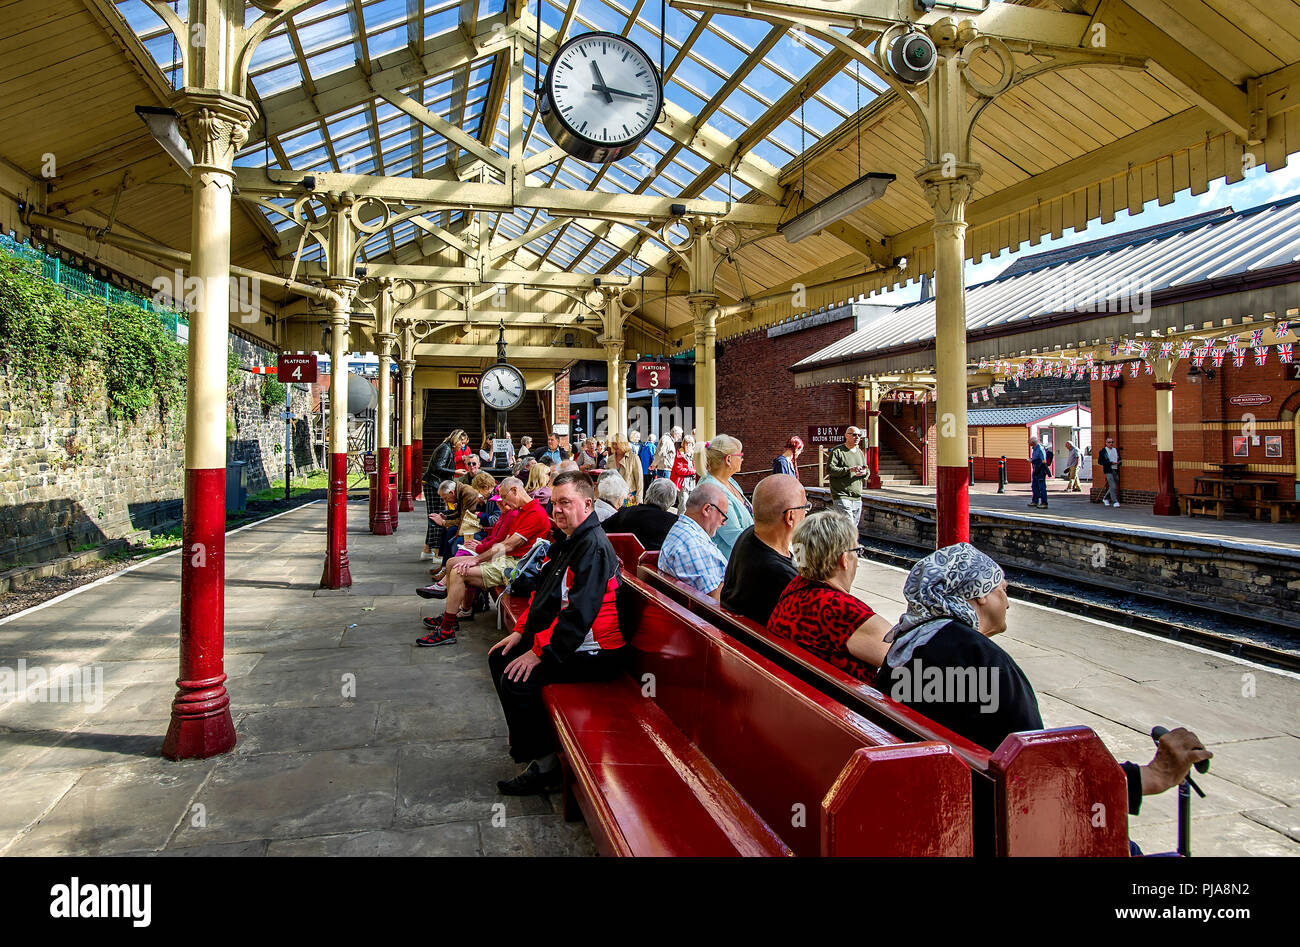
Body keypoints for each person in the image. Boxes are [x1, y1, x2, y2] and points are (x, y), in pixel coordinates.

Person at [874, 543, 1211, 835]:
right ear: (978, 596)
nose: (1007, 602)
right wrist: (1148, 777)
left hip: (925, 802)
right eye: (1002, 589)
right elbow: (1036, 776)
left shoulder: (905, 647)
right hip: (983, 821)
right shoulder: (984, 660)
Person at [488, 471, 628, 794]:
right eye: (554, 503)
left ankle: (545, 766)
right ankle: (528, 746)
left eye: (566, 502)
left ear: (588, 504)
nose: (558, 510)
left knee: (517, 678)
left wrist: (538, 652)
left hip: (598, 653)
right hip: (574, 641)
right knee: (501, 657)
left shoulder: (592, 546)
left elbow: (578, 617)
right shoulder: (569, 540)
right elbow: (545, 592)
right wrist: (521, 632)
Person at [418, 477, 552, 646]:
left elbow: (508, 545)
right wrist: (479, 557)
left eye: (504, 496)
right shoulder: (524, 510)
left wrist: (477, 559)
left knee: (459, 571)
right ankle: (452, 615)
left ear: (515, 491)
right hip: (507, 558)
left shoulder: (534, 513)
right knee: (453, 562)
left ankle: (447, 627)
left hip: (516, 566)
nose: (503, 501)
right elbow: (506, 542)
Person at [767, 511, 893, 681]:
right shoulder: (841, 609)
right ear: (844, 559)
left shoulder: (793, 589)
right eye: (857, 550)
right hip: (844, 704)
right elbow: (907, 659)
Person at [720, 474, 807, 626]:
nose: (806, 513)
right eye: (805, 507)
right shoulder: (781, 576)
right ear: (790, 517)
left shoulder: (748, 536)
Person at [659, 481, 729, 599]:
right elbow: (714, 601)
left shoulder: (686, 533)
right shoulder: (691, 544)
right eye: (723, 515)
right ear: (707, 509)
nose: (724, 523)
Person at [694, 434, 753, 560]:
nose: (742, 459)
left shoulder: (730, 481)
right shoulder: (712, 490)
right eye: (740, 455)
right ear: (728, 459)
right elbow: (734, 536)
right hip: (730, 563)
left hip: (744, 554)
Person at [423, 428, 465, 561]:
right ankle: (436, 551)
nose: (462, 446)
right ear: (457, 439)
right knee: (438, 515)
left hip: (433, 483)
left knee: (434, 515)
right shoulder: (445, 449)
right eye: (462, 442)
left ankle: (428, 548)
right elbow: (438, 467)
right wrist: (455, 471)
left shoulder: (446, 448)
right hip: (435, 485)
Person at [603, 477, 678, 551]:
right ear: (672, 501)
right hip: (656, 563)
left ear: (648, 493)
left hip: (624, 561)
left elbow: (602, 530)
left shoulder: (627, 512)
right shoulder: (675, 523)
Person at [827, 427, 869, 526]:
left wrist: (864, 473)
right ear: (846, 435)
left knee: (852, 528)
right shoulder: (837, 451)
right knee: (848, 526)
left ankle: (843, 541)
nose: (857, 437)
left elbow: (867, 470)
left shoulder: (860, 452)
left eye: (859, 435)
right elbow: (830, 470)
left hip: (857, 497)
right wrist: (849, 469)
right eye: (854, 435)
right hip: (841, 495)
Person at [611, 433, 645, 505]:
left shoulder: (634, 457)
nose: (614, 446)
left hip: (630, 497)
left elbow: (639, 480)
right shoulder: (610, 459)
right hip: (614, 497)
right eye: (613, 444)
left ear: (622, 444)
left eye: (616, 444)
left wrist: (639, 498)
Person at [1098, 436, 1121, 506]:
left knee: (1114, 484)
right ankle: (1115, 501)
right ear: (1106, 443)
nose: (1111, 444)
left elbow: (1119, 458)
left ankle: (1105, 498)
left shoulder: (1115, 450)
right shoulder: (1103, 451)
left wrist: (1119, 462)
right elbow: (1100, 461)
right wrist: (1110, 463)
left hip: (1115, 469)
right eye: (1109, 442)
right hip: (1108, 470)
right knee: (1112, 485)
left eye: (1112, 442)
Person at [1029, 436, 1049, 509]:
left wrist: (1033, 461)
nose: (1028, 443)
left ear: (1033, 442)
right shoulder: (1034, 449)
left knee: (1041, 487)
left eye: (1029, 441)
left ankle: (1044, 502)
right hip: (1035, 469)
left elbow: (1043, 460)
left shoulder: (1040, 448)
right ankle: (1035, 501)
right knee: (1034, 486)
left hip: (1040, 470)